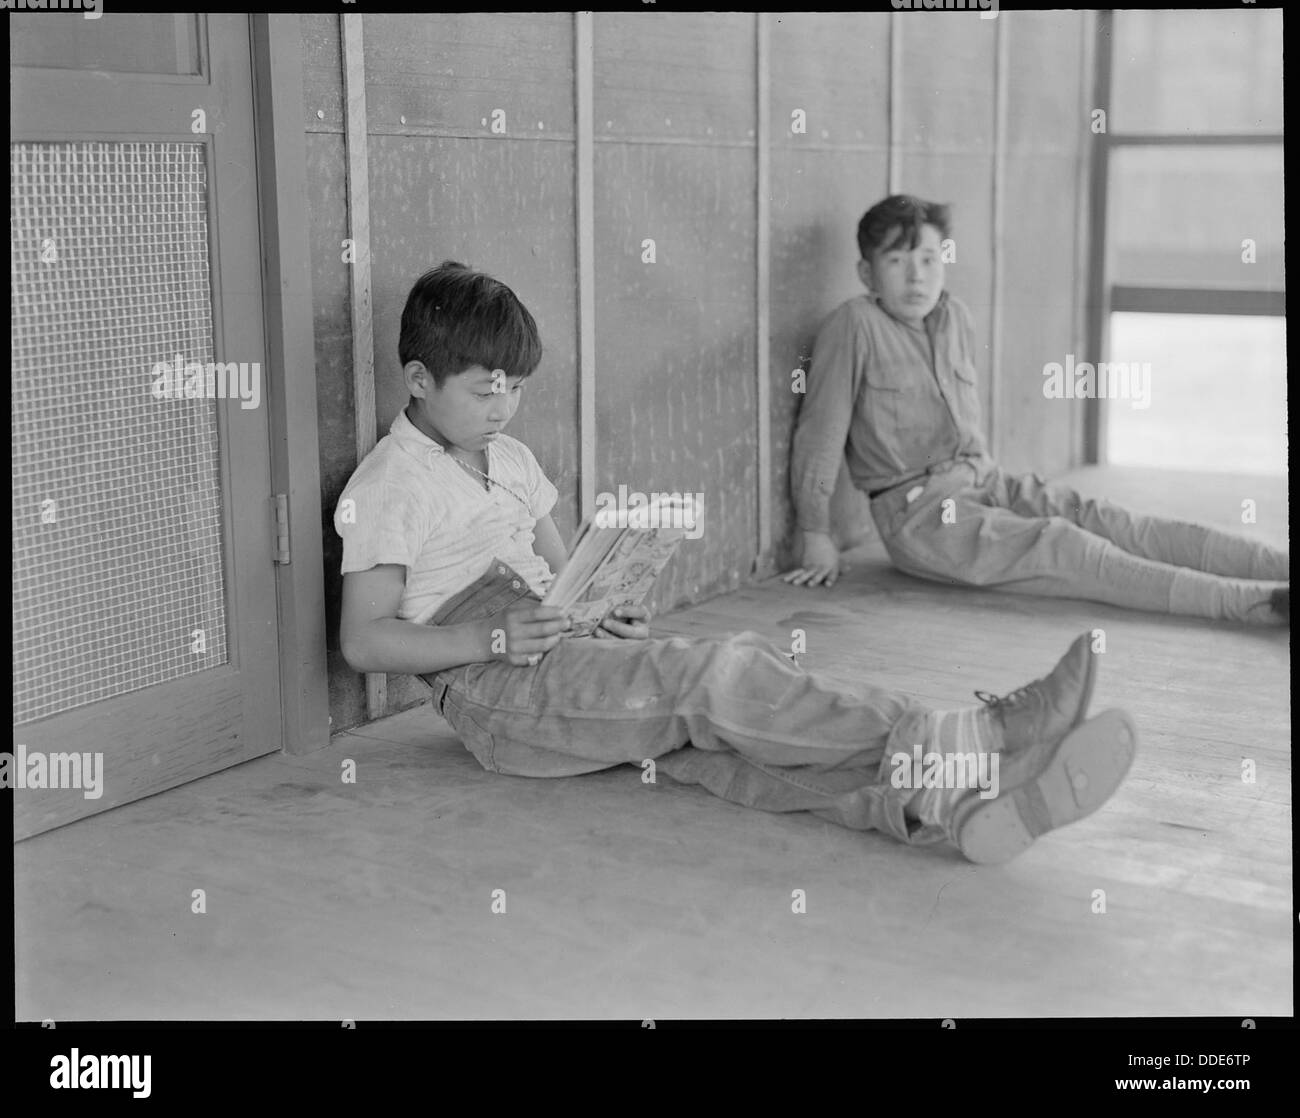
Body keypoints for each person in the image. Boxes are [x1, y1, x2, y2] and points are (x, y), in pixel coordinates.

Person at [334, 260, 1138, 865]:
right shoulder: (389, 485)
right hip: (492, 688)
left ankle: (951, 811)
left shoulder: (508, 457)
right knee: (712, 679)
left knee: (714, 744)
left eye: (516, 388)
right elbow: (365, 642)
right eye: (484, 390)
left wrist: (597, 607)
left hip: (552, 645)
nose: (504, 407)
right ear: (418, 378)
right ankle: (970, 733)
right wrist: (495, 640)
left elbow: (564, 568)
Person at [784, 194, 1289, 626]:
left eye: (929, 259)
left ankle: (1278, 564)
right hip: (920, 516)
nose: (916, 277)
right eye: (896, 261)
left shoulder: (952, 316)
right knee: (1063, 545)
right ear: (866, 272)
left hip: (985, 481)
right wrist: (814, 533)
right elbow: (820, 434)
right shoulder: (852, 326)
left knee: (1108, 519)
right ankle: (1253, 605)